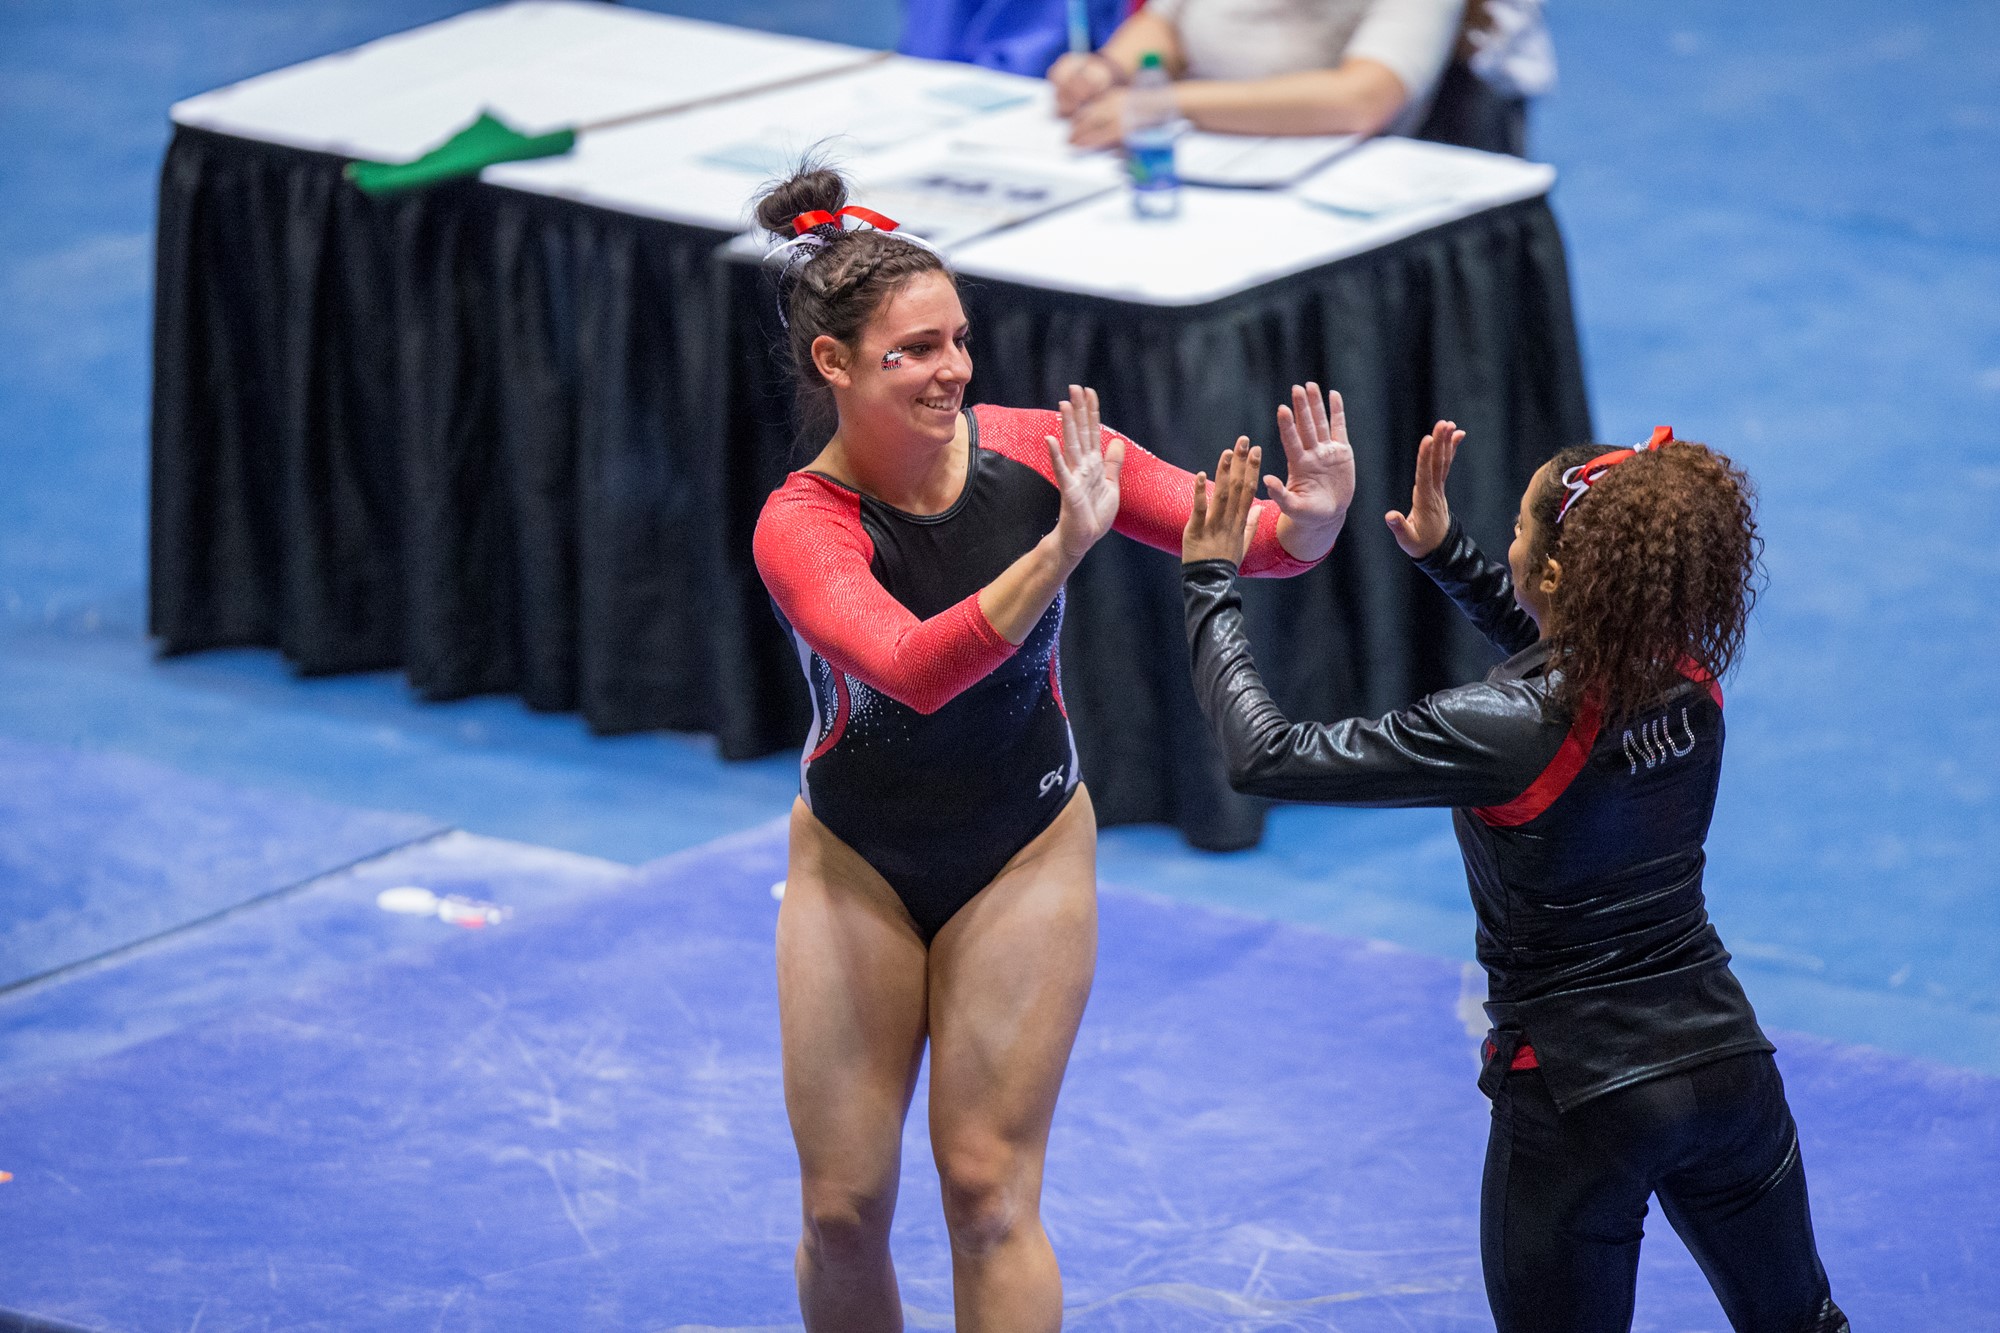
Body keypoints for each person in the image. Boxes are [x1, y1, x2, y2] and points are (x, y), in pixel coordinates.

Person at [748, 161, 1351, 1331]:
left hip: (1019, 845)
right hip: (852, 861)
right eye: (911, 351)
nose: (951, 371)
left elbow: (1239, 536)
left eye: (958, 340)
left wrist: (1312, 517)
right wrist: (1060, 552)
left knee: (984, 1192)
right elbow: (913, 671)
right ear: (834, 365)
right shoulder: (801, 524)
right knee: (838, 1208)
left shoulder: (1037, 449)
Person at [1177, 418, 1849, 1331]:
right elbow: (1573, 664)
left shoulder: (1501, 730)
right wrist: (1449, 554)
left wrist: (1210, 581)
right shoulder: (1692, 678)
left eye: (1520, 532)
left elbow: (1267, 753)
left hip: (1580, 1103)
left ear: (1561, 575)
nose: (1509, 544)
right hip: (1731, 1071)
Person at [1048, 0, 1466, 150]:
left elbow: (1361, 99)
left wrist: (1163, 103)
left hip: (1330, 194)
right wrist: (1108, 70)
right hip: (1203, 149)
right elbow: (1166, 26)